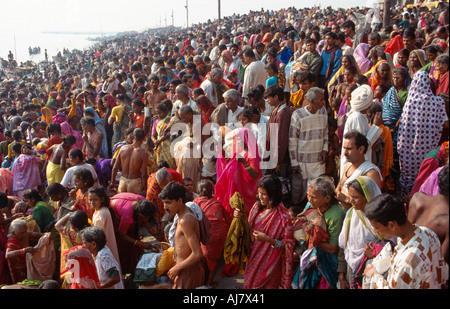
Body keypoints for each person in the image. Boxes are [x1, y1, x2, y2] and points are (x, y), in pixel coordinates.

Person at [363, 193, 448, 289]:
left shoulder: (407, 262)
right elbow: (441, 273)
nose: (375, 231)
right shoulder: (428, 233)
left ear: (392, 225)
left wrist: (374, 275)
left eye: (376, 227)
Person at [397, 70, 448, 199]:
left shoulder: (410, 101)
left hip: (407, 150)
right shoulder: (438, 102)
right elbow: (446, 124)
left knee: (407, 178)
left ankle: (406, 203)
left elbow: (403, 126)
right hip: (427, 149)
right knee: (424, 177)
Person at [238, 175, 294, 289]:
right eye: (259, 193)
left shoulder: (283, 217)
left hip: (270, 267)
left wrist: (269, 240)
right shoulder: (256, 208)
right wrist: (239, 217)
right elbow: (248, 230)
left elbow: (288, 245)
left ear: (273, 195)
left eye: (264, 194)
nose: (260, 197)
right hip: (252, 259)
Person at [292, 176, 346, 289]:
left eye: (314, 197)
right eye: (308, 195)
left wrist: (312, 240)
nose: (309, 200)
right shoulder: (311, 206)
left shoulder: (336, 215)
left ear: (327, 198)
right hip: (312, 253)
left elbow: (333, 248)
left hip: (327, 261)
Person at [338, 176, 384, 289]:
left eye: (356, 197)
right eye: (350, 196)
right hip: (352, 271)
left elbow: (391, 246)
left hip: (375, 272)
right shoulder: (350, 215)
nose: (351, 200)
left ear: (368, 196)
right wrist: (342, 276)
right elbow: (345, 247)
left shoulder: (382, 219)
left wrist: (375, 252)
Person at [159, 181, 205, 289]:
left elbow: (198, 253)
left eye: (168, 202)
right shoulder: (182, 215)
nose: (165, 207)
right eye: (164, 202)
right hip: (185, 271)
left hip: (188, 273)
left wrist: (177, 268)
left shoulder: (186, 220)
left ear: (179, 201)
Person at [289, 87, 328, 204]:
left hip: (318, 160)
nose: (323, 102)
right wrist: (294, 162)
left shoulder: (323, 112)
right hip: (302, 162)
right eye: (321, 100)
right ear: (312, 102)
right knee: (299, 191)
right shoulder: (298, 115)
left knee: (316, 191)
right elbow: (292, 140)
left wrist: (325, 149)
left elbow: (325, 132)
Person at [193, 179, 231, 287]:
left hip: (205, 235)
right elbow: (229, 220)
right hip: (219, 236)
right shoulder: (217, 203)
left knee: (204, 259)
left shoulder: (196, 202)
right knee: (215, 259)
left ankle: (204, 283)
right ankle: (208, 284)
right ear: (212, 191)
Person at [408, 165, 449, 263]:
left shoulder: (417, 199)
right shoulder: (447, 221)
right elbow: (442, 265)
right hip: (426, 273)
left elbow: (405, 236)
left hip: (405, 261)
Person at [339, 84, 383, 177]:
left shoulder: (361, 116)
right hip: (355, 166)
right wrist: (375, 126)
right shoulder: (356, 117)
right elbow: (362, 145)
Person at [336, 131, 383, 211]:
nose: (345, 152)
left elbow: (374, 203)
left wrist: (347, 199)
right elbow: (338, 188)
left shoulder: (370, 173)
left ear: (361, 149)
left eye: (349, 149)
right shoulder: (348, 166)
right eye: (344, 148)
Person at [110, 195, 155, 275]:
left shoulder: (143, 202)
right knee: (125, 248)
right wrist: (139, 243)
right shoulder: (127, 216)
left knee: (134, 242)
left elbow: (145, 219)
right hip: (116, 215)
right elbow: (122, 235)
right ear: (138, 213)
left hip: (124, 207)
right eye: (143, 218)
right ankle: (126, 272)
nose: (145, 220)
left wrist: (150, 229)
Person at [88, 186, 121, 267]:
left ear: (102, 199)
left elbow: (96, 238)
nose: (92, 202)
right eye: (90, 200)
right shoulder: (101, 210)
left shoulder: (100, 215)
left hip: (102, 248)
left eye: (95, 200)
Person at [263, 85, 291, 177]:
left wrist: (277, 161)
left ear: (276, 97)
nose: (267, 100)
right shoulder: (276, 110)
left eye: (268, 98)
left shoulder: (282, 113)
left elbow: (281, 139)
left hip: (280, 159)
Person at [110, 128, 148, 195]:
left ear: (133, 136)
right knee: (134, 204)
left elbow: (115, 167)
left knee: (122, 203)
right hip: (135, 183)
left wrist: (112, 182)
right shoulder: (143, 153)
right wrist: (145, 188)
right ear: (143, 139)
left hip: (123, 181)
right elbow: (144, 174)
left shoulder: (123, 148)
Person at [5, 219, 43, 283]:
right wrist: (25, 250)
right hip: (19, 272)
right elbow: (8, 255)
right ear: (14, 233)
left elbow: (39, 235)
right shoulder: (11, 242)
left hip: (26, 268)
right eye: (22, 232)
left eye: (26, 231)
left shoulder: (23, 234)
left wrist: (46, 236)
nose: (25, 234)